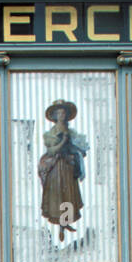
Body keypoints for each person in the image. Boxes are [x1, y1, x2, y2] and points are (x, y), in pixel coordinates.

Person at [38, 99, 88, 243]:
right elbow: (52, 150)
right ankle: (60, 226)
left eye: (64, 112)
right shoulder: (50, 134)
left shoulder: (71, 133)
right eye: (59, 113)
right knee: (57, 195)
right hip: (56, 167)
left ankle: (65, 223)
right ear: (54, 116)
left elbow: (79, 148)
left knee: (68, 195)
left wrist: (77, 150)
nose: (61, 115)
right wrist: (62, 142)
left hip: (68, 166)